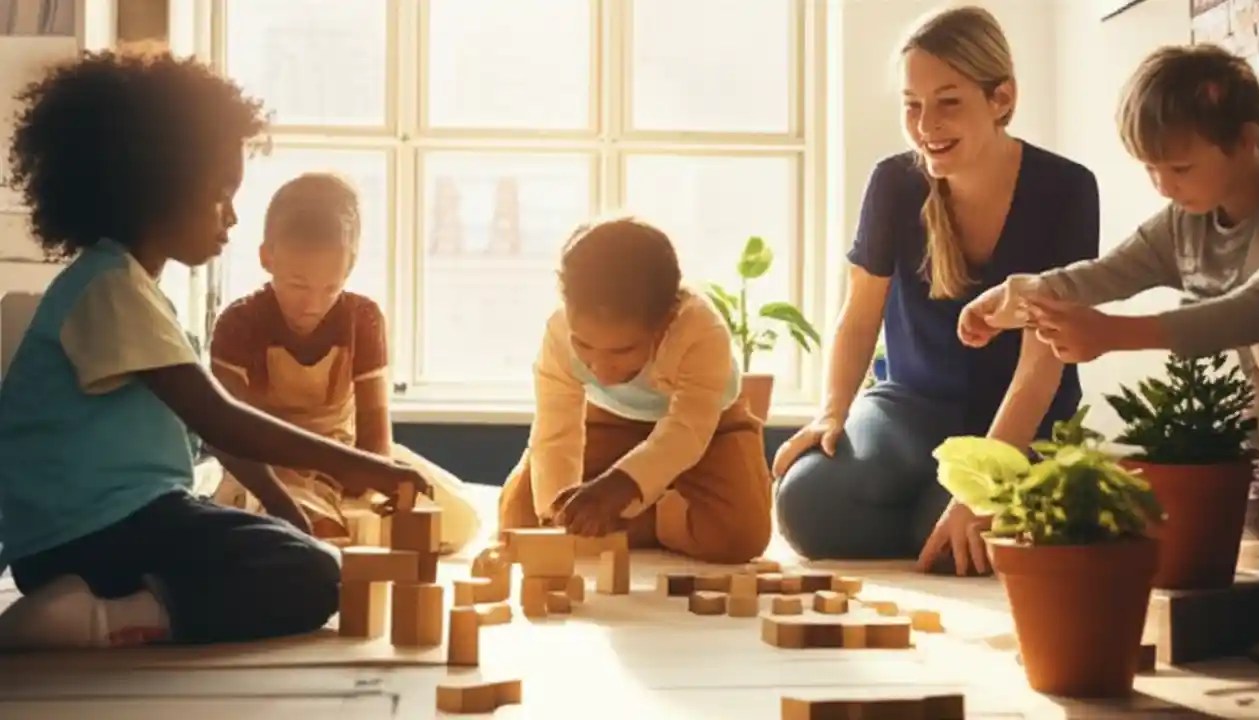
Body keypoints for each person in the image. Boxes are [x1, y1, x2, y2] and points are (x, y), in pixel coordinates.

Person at [0, 50, 430, 650]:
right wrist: (364, 467)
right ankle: (101, 622)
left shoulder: (130, 290)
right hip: (91, 534)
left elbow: (211, 430)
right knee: (317, 574)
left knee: (298, 554)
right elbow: (221, 417)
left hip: (100, 530)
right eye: (219, 195)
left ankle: (108, 607)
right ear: (157, 191)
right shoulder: (109, 290)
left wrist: (280, 502)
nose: (231, 217)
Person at [956, 44, 1259, 662]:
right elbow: (1105, 274)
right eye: (1151, 168)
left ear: (1247, 141)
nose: (1163, 185)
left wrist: (1113, 334)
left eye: (1179, 167)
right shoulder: (1183, 223)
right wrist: (1017, 296)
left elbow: (1258, 307)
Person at [770, 5, 1099, 574]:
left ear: (1001, 99)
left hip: (1021, 419)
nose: (926, 125)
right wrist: (831, 412)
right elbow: (859, 314)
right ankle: (932, 516)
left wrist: (982, 484)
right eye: (912, 105)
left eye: (948, 102)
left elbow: (1041, 365)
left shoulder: (1068, 189)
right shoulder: (893, 183)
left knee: (979, 530)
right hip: (908, 410)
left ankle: (937, 513)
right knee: (803, 502)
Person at [208, 172, 482, 553]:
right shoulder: (239, 324)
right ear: (267, 257)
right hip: (269, 464)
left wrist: (368, 481)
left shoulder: (362, 319)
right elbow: (234, 435)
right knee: (298, 527)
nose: (312, 304)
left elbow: (375, 436)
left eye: (330, 288)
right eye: (298, 285)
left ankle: (337, 516)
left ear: (350, 265)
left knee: (458, 519)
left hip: (347, 457)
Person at [496, 216, 772, 564]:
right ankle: (635, 515)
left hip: (708, 427)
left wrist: (624, 484)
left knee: (740, 535)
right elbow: (556, 431)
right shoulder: (559, 333)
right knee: (519, 520)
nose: (601, 368)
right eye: (585, 346)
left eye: (622, 351)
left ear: (664, 323)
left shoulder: (702, 330)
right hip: (608, 419)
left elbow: (686, 432)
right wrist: (556, 516)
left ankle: (648, 514)